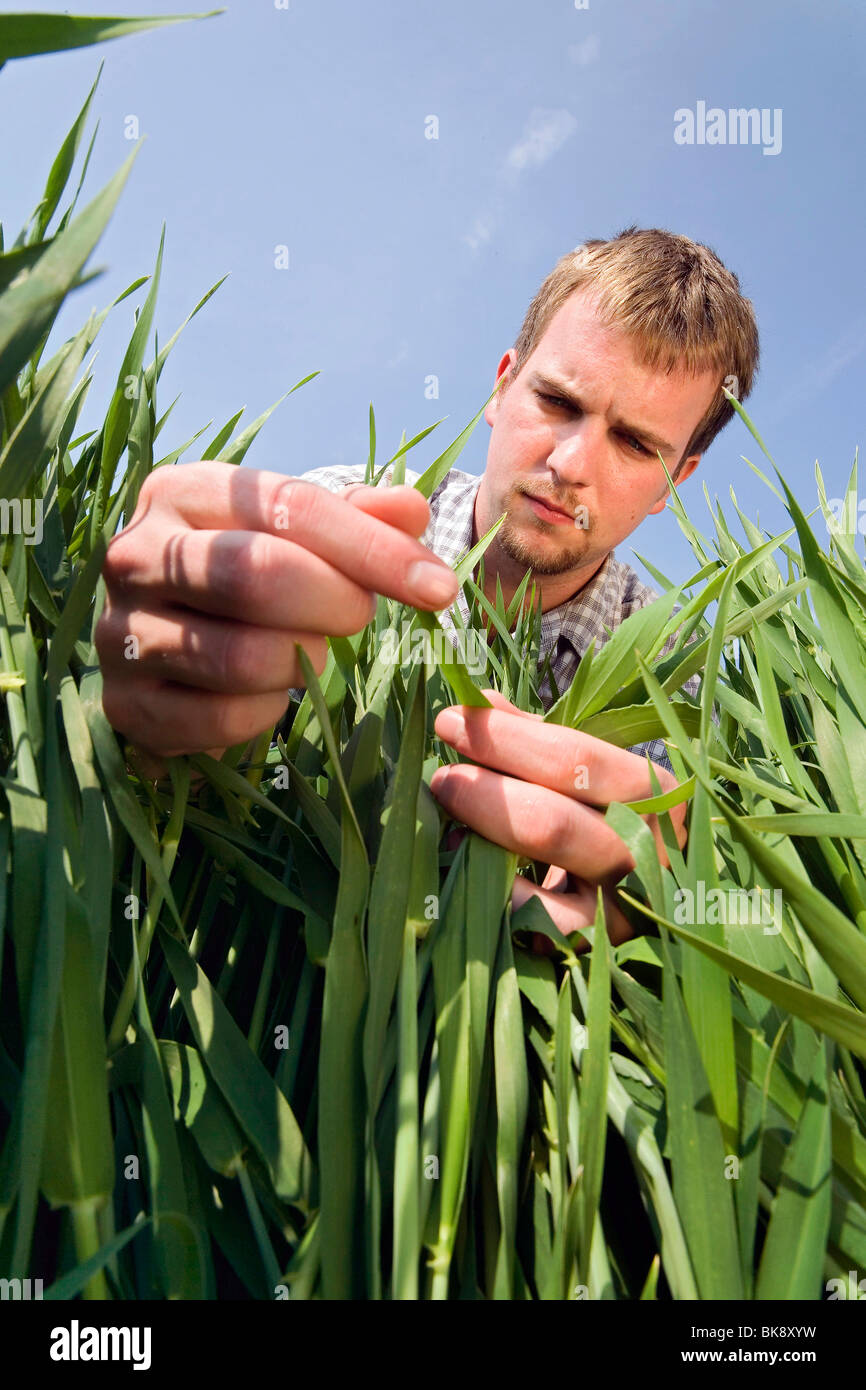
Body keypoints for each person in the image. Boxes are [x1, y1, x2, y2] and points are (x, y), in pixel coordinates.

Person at [96, 226, 759, 944]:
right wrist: (153, 686)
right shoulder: (346, 513)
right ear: (502, 388)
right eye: (558, 402)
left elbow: (679, 875)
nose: (571, 463)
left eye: (634, 443)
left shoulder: (675, 671)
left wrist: (655, 910)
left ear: (674, 480)